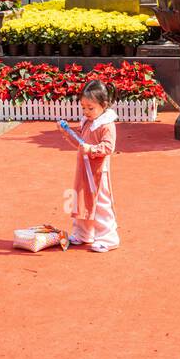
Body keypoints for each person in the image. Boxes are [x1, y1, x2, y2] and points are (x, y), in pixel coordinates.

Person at [59, 81, 119, 253]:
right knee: (81, 200)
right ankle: (83, 233)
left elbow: (108, 147)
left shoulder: (107, 125)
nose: (86, 111)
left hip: (98, 172)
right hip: (83, 170)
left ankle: (109, 238)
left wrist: (92, 149)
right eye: (83, 107)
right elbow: (80, 143)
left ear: (103, 105)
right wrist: (67, 132)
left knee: (100, 204)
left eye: (90, 108)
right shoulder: (86, 121)